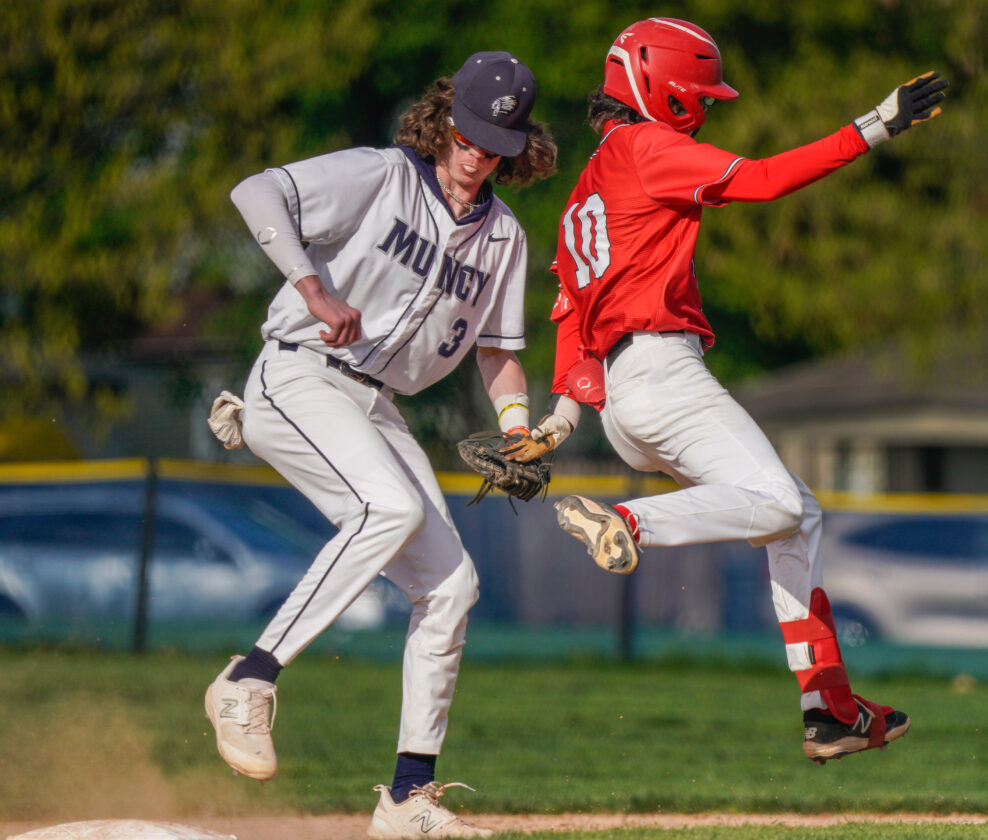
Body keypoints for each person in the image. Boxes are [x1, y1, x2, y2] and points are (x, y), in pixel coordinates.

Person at [504, 18, 947, 765]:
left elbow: (572, 315)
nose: (705, 107)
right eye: (699, 93)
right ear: (660, 88)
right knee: (778, 503)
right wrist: (876, 124)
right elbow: (764, 180)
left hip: (621, 399)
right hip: (662, 375)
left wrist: (559, 420)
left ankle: (829, 708)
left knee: (797, 515)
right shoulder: (648, 147)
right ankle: (627, 521)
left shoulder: (587, 189)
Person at [203, 51, 556, 837]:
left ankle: (407, 799)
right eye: (467, 136)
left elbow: (497, 352)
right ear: (445, 121)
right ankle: (248, 679)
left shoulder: (503, 236)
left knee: (452, 586)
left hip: (376, 405)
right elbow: (255, 191)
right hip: (298, 372)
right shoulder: (383, 176)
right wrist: (311, 287)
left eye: (494, 144)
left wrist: (518, 430)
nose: (476, 156)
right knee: (388, 508)